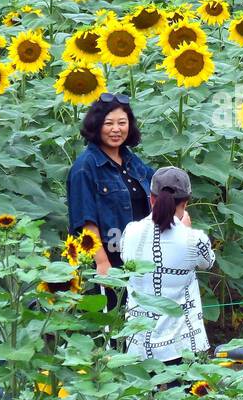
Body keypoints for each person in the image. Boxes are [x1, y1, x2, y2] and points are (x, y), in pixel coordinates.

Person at [118, 166, 215, 366]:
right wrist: (187, 229)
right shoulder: (194, 239)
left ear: (151, 199)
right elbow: (208, 262)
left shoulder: (130, 232)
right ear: (186, 202)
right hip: (183, 343)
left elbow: (124, 257)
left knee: (141, 395)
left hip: (139, 341)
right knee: (187, 395)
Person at [67, 93, 155, 307]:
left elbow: (156, 191)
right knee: (113, 323)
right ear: (96, 126)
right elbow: (86, 221)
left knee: (139, 319)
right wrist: (102, 262)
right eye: (109, 123)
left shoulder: (131, 161)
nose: (116, 129)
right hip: (109, 257)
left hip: (137, 256)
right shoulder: (85, 167)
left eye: (122, 123)